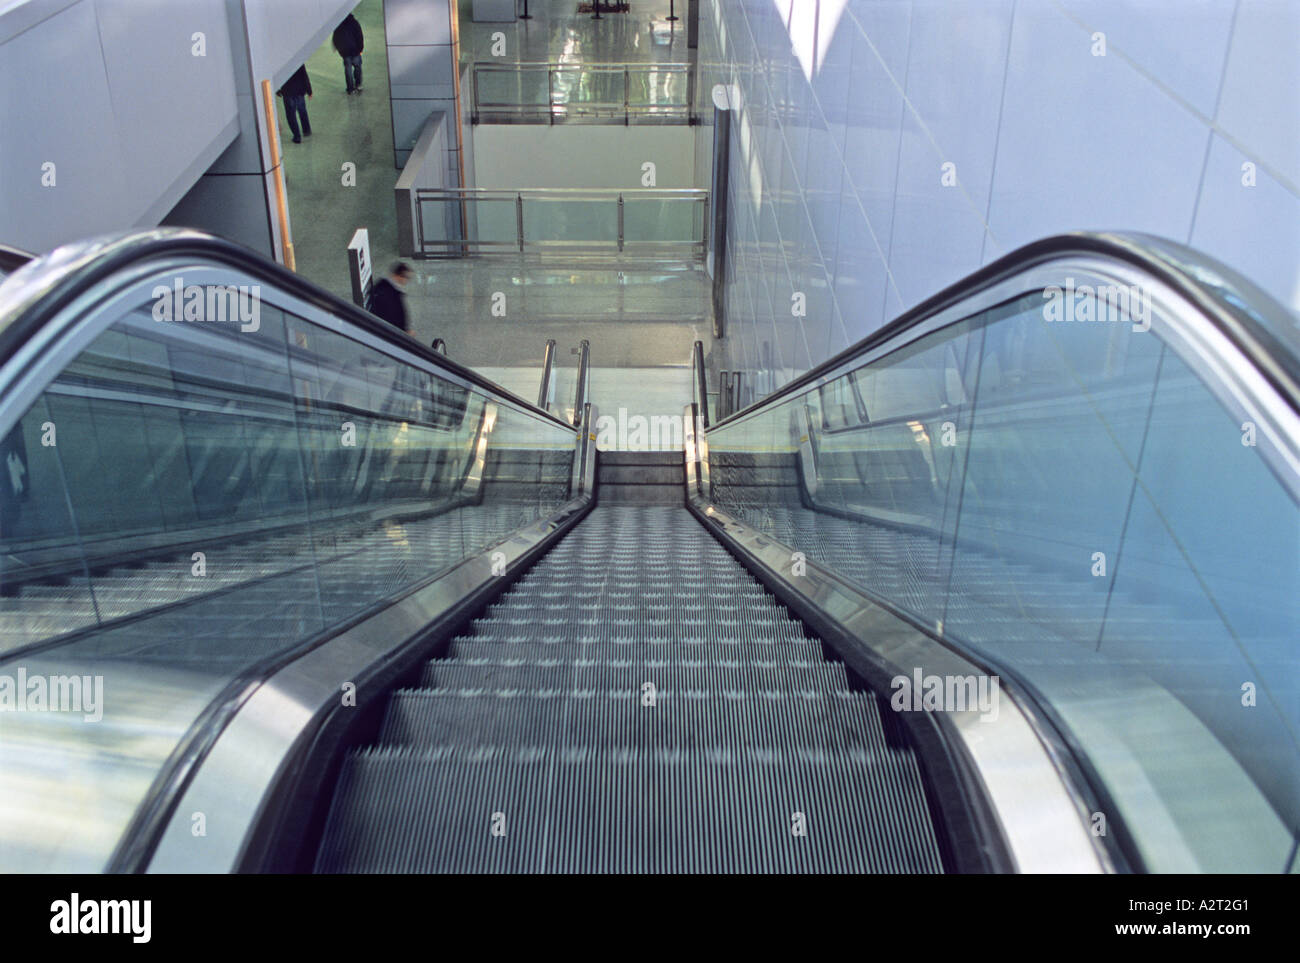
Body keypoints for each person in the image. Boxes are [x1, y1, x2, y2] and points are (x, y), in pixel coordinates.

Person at [370, 263, 412, 334]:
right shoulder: (387, 293)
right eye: (405, 277)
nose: (406, 280)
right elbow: (392, 316)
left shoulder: (386, 286)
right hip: (392, 333)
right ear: (396, 276)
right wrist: (405, 332)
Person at [276, 65, 313, 143]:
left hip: (288, 92)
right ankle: (307, 130)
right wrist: (309, 90)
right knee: (302, 111)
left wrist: (278, 90)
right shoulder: (298, 61)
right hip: (299, 91)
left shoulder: (281, 64)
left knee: (291, 116)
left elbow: (278, 78)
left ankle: (297, 137)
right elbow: (304, 76)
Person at [332, 14, 365, 94]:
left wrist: (339, 49)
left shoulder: (338, 25)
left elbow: (335, 38)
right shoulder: (354, 23)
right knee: (358, 68)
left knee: (348, 70)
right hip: (355, 50)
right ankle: (358, 84)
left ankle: (350, 89)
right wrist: (361, 49)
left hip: (345, 52)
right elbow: (360, 36)